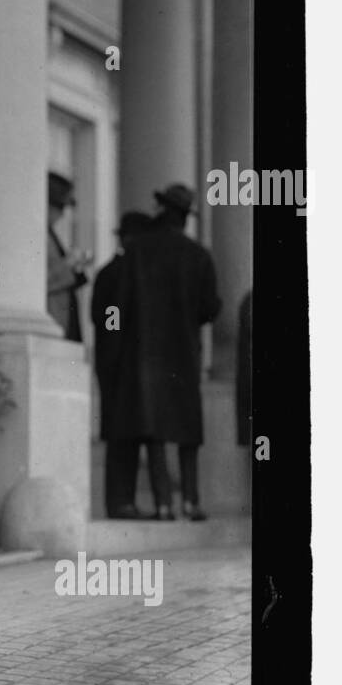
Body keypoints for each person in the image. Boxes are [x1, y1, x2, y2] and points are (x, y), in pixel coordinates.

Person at [110, 183, 222, 521]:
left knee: (153, 427)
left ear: (161, 211)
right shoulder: (199, 255)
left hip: (144, 353)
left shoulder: (137, 250)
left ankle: (163, 503)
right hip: (185, 352)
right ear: (185, 217)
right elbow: (210, 309)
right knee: (188, 427)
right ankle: (190, 500)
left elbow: (119, 306)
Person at [91, 210, 153, 518]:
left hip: (116, 365)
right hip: (123, 367)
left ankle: (120, 502)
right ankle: (120, 502)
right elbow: (111, 320)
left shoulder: (111, 272)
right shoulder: (126, 273)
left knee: (120, 434)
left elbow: (103, 319)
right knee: (123, 436)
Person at [46, 172, 90, 343]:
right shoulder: (39, 234)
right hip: (53, 316)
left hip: (62, 315)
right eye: (59, 207)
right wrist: (68, 264)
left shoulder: (51, 234)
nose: (61, 215)